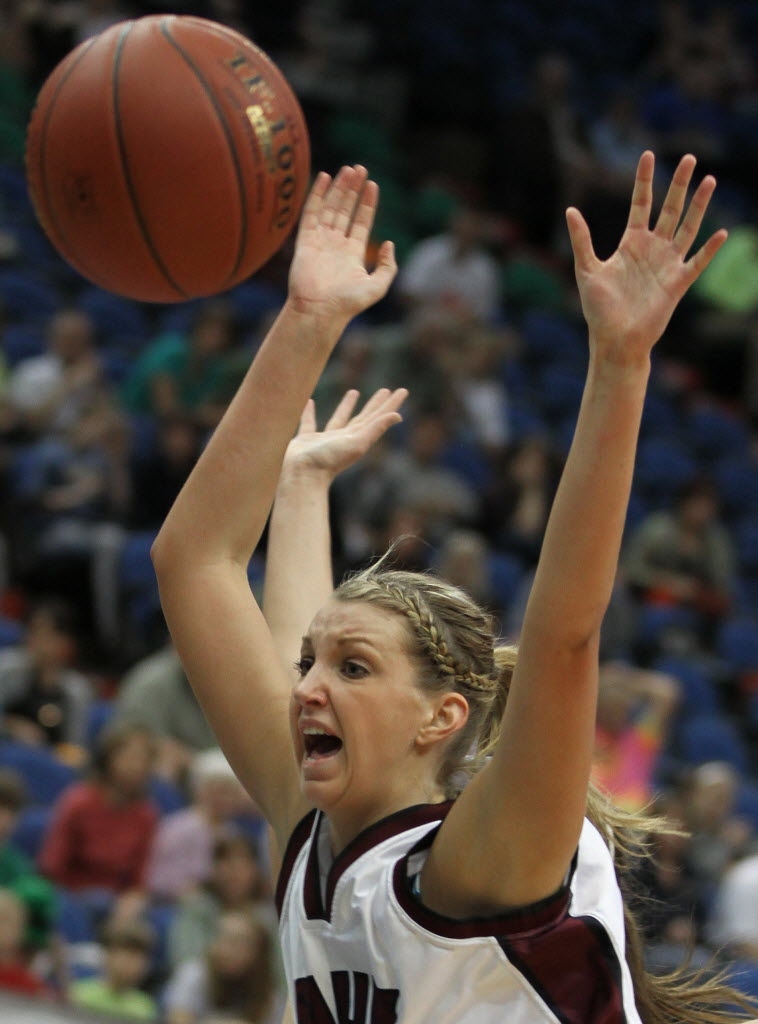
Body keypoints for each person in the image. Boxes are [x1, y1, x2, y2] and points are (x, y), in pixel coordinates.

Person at [151, 159, 754, 1022]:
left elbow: (565, 637)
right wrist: (307, 328)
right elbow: (194, 559)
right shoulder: (313, 826)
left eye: (352, 669)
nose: (307, 685)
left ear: (442, 717)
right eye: (310, 661)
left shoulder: (477, 860)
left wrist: (620, 364)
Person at [68, 916, 159, 1022]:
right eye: (129, 955)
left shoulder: (145, 1008)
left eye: (141, 958)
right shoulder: (79, 995)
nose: (135, 964)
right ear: (109, 955)